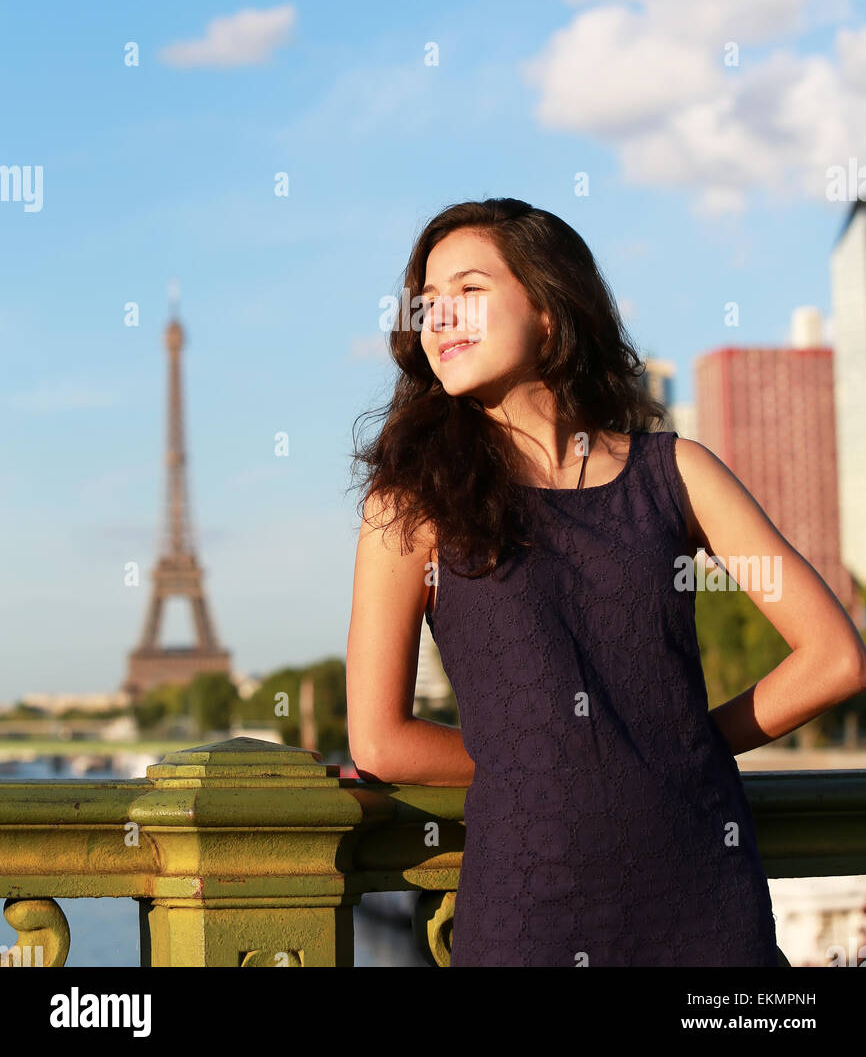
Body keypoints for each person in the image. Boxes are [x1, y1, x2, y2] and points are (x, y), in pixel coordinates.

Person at [345, 197, 866, 967]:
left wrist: (675, 742)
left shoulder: (679, 471)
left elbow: (835, 659)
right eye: (426, 300)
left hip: (708, 909)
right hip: (531, 917)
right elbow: (380, 741)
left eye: (470, 290)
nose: (439, 316)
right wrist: (555, 755)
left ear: (550, 311)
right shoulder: (411, 504)